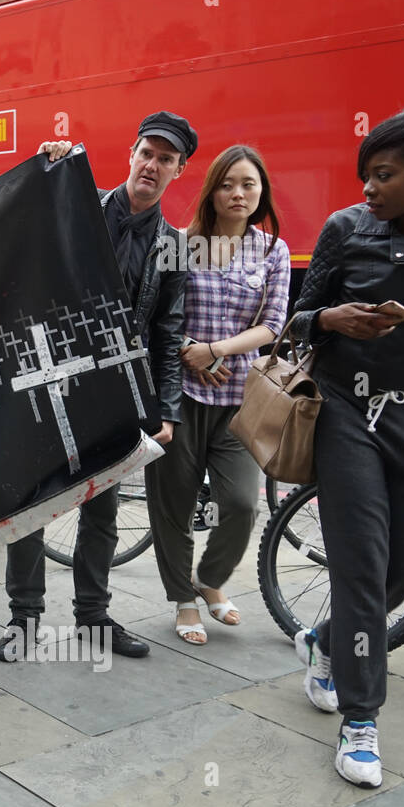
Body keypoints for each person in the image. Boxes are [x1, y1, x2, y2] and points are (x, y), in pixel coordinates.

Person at [0, 111, 196, 662]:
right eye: (147, 153)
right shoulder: (77, 205)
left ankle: (93, 618)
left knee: (102, 512)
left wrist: (169, 410)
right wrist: (48, 170)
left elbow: (169, 329)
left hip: (119, 397)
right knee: (32, 507)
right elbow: (24, 236)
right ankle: (24, 619)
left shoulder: (174, 244)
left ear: (179, 171)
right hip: (50, 382)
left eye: (166, 159)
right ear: (131, 153)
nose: (152, 165)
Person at [289, 110, 404, 789]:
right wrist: (329, 318)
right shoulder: (344, 230)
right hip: (347, 413)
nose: (368, 186)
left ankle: (323, 640)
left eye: (385, 175)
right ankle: (360, 721)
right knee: (364, 570)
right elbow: (294, 321)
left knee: (397, 578)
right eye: (365, 173)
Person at [147, 146, 291, 645]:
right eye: (228, 183)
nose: (238, 193)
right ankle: (183, 600)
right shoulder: (182, 245)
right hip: (180, 395)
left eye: (248, 184)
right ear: (213, 189)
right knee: (174, 504)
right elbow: (157, 317)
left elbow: (273, 324)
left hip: (240, 401)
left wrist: (216, 350)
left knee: (242, 504)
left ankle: (209, 579)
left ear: (261, 192)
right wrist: (191, 349)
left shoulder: (273, 250)